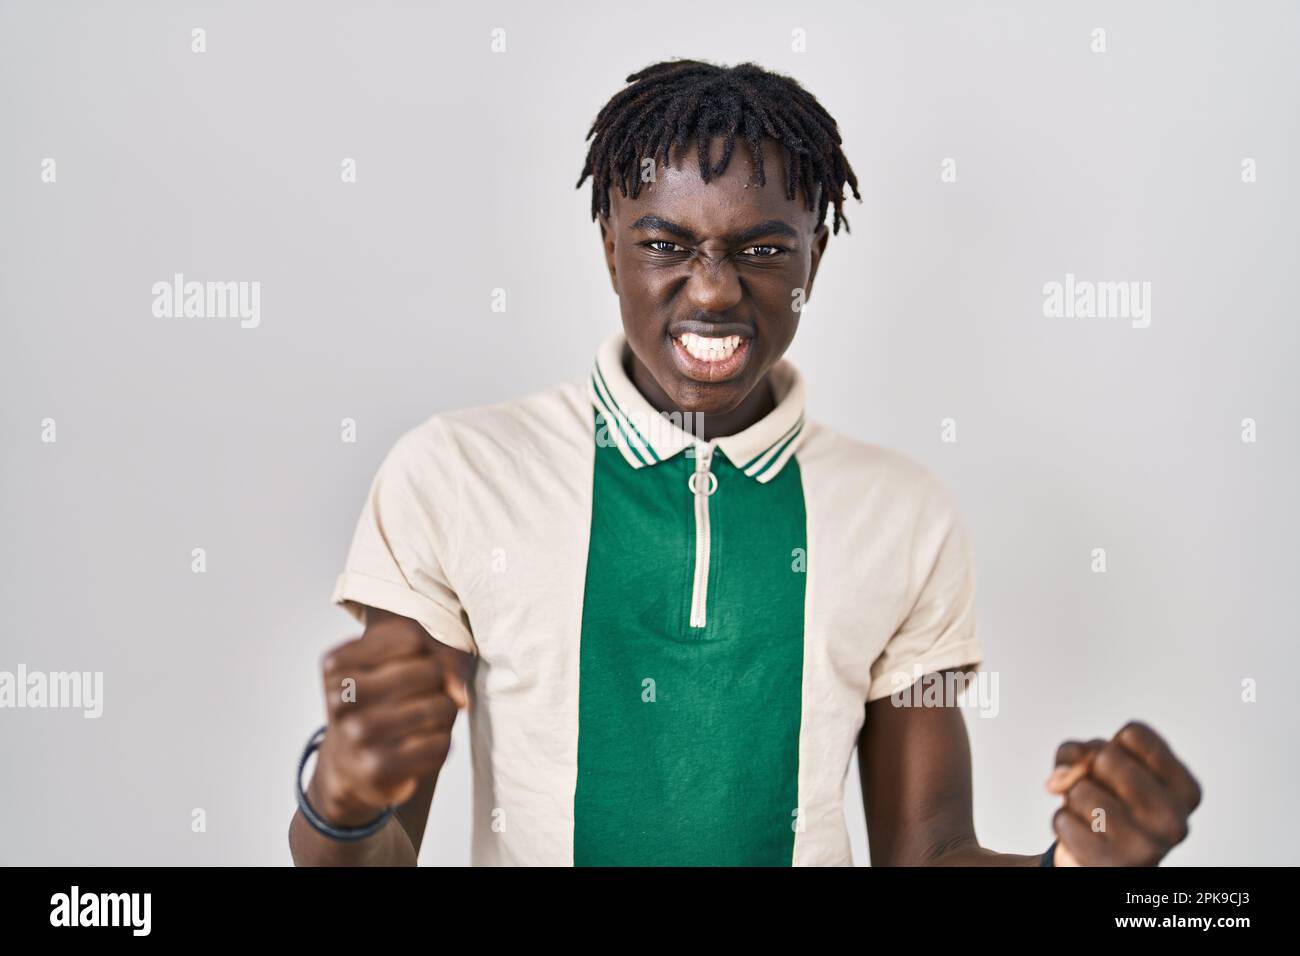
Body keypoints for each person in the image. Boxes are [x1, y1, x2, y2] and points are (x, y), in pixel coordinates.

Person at [288, 59, 1200, 867]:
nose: (716, 289)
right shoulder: (455, 475)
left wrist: (1083, 870)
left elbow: (929, 853)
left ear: (817, 255)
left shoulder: (906, 516)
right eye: (665, 245)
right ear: (609, 245)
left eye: (763, 249)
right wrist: (339, 803)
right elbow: (373, 852)